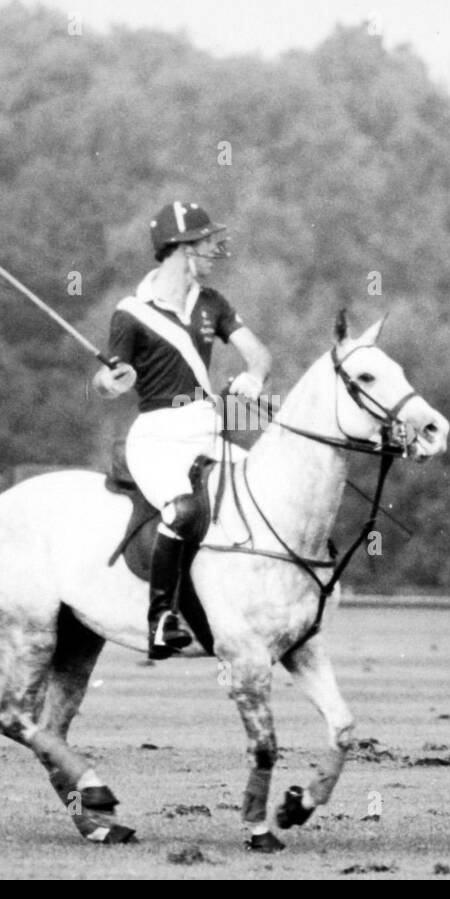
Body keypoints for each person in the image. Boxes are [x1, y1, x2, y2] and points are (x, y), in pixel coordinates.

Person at [92, 200, 271, 659]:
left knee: (265, 492)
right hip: (158, 437)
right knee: (185, 513)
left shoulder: (213, 303)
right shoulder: (131, 313)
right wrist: (112, 380)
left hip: (208, 425)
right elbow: (107, 381)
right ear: (179, 248)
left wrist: (251, 382)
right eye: (206, 242)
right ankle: (161, 619)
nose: (214, 250)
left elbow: (259, 355)